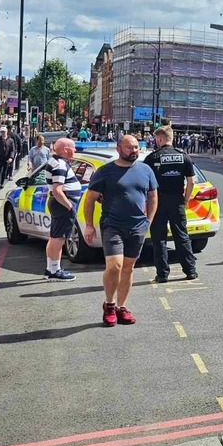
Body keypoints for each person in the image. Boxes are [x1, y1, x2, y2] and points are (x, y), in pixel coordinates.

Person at [83, 135, 158, 327]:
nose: (134, 150)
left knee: (128, 267)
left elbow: (152, 197)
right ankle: (109, 304)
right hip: (112, 224)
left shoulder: (146, 170)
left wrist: (148, 221)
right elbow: (90, 198)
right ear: (118, 148)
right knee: (114, 266)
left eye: (136, 147)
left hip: (137, 226)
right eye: (129, 147)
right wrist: (89, 225)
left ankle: (122, 307)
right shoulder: (105, 171)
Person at [144, 126, 198, 283]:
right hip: (177, 201)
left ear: (160, 139)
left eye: (156, 139)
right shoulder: (184, 156)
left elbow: (145, 182)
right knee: (182, 236)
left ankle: (162, 274)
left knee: (159, 239)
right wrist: (186, 199)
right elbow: (191, 181)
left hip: (158, 201)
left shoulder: (152, 158)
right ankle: (190, 271)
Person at [43, 138, 81, 281]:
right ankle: (55, 271)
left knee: (54, 237)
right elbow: (58, 190)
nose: (75, 150)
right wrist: (69, 206)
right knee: (59, 239)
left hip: (59, 203)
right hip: (62, 204)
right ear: (65, 149)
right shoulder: (60, 164)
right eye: (73, 147)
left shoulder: (55, 161)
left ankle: (50, 269)